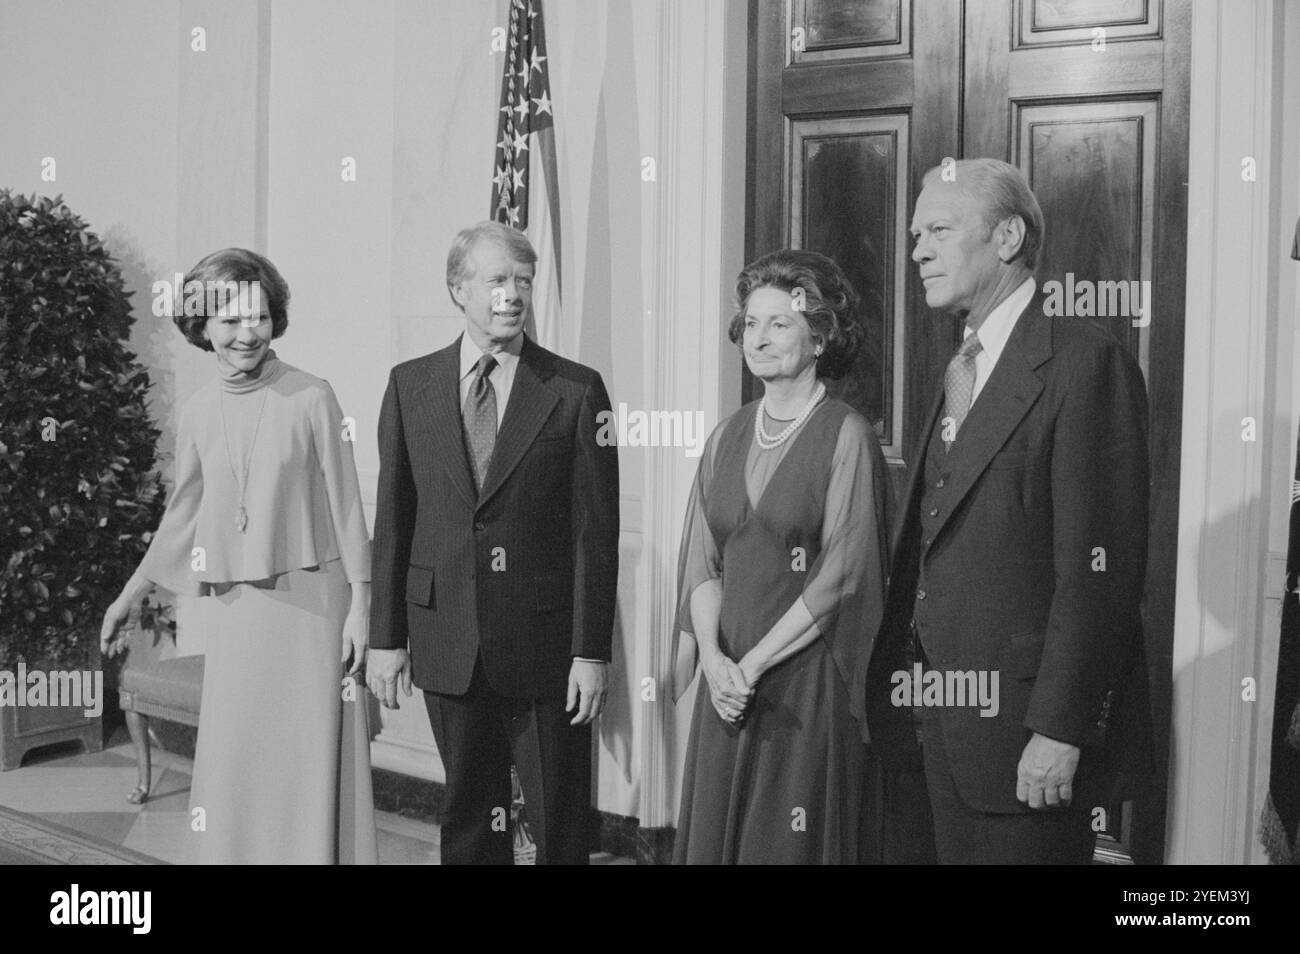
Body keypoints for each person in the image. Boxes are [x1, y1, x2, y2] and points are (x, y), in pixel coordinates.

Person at [867, 158, 1151, 864]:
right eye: (913, 235)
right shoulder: (961, 364)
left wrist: (1061, 730)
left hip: (1023, 744)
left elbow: (1099, 575)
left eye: (937, 229)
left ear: (1007, 237)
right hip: (931, 730)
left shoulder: (1085, 362)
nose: (917, 251)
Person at [100, 248, 378, 865]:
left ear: (275, 317)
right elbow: (184, 516)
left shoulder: (313, 397)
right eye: (229, 320)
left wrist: (364, 607)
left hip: (314, 610)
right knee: (238, 761)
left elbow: (349, 509)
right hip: (237, 612)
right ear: (202, 328)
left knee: (306, 761)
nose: (247, 332)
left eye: (258, 316)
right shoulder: (198, 412)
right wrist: (129, 594)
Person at [366, 221, 619, 865]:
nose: (513, 294)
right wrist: (386, 638)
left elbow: (597, 535)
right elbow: (394, 521)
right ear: (458, 288)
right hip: (446, 636)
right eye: (497, 280)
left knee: (557, 815)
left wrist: (591, 653)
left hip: (546, 646)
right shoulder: (409, 385)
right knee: (469, 814)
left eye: (524, 281)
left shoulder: (575, 389)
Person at [671, 249, 889, 864]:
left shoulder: (846, 433)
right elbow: (704, 565)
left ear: (819, 337)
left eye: (779, 324)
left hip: (802, 685)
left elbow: (843, 576)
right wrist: (715, 662)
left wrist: (753, 666)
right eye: (751, 324)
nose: (758, 338)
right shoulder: (726, 435)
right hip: (726, 686)